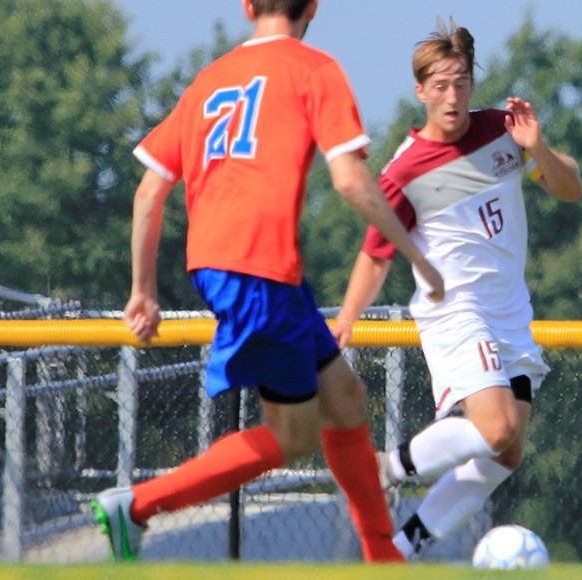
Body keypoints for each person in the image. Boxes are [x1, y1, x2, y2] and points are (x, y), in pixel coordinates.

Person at [91, 0, 444, 563]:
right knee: (293, 435)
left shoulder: (210, 79)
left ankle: (384, 558)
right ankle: (137, 506)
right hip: (259, 268)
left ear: (248, 6)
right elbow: (350, 181)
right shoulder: (314, 69)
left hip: (239, 267)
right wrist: (417, 257)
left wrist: (143, 290)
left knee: (344, 399)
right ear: (314, 7)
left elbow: (149, 192)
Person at [331, 18, 582, 559]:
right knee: (496, 428)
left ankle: (399, 551)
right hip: (455, 311)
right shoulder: (404, 172)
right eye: (440, 85)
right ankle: (386, 468)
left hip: (509, 310)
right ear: (420, 91)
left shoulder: (503, 131)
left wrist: (537, 147)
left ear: (472, 82)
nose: (452, 96)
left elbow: (571, 189)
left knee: (506, 452)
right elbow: (375, 255)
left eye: (461, 82)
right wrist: (348, 318)